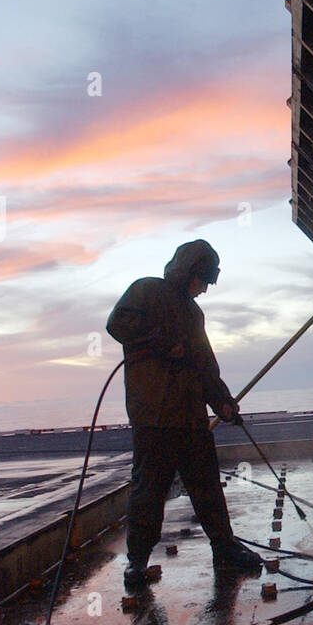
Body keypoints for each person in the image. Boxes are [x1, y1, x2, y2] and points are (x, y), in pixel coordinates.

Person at [107, 239, 261, 591]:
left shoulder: (194, 314)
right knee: (149, 490)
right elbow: (117, 323)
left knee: (207, 486)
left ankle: (224, 548)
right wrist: (159, 341)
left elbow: (205, 365)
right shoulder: (146, 291)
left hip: (190, 417)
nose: (205, 289)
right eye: (203, 281)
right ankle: (137, 562)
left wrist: (222, 401)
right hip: (154, 416)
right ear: (189, 272)